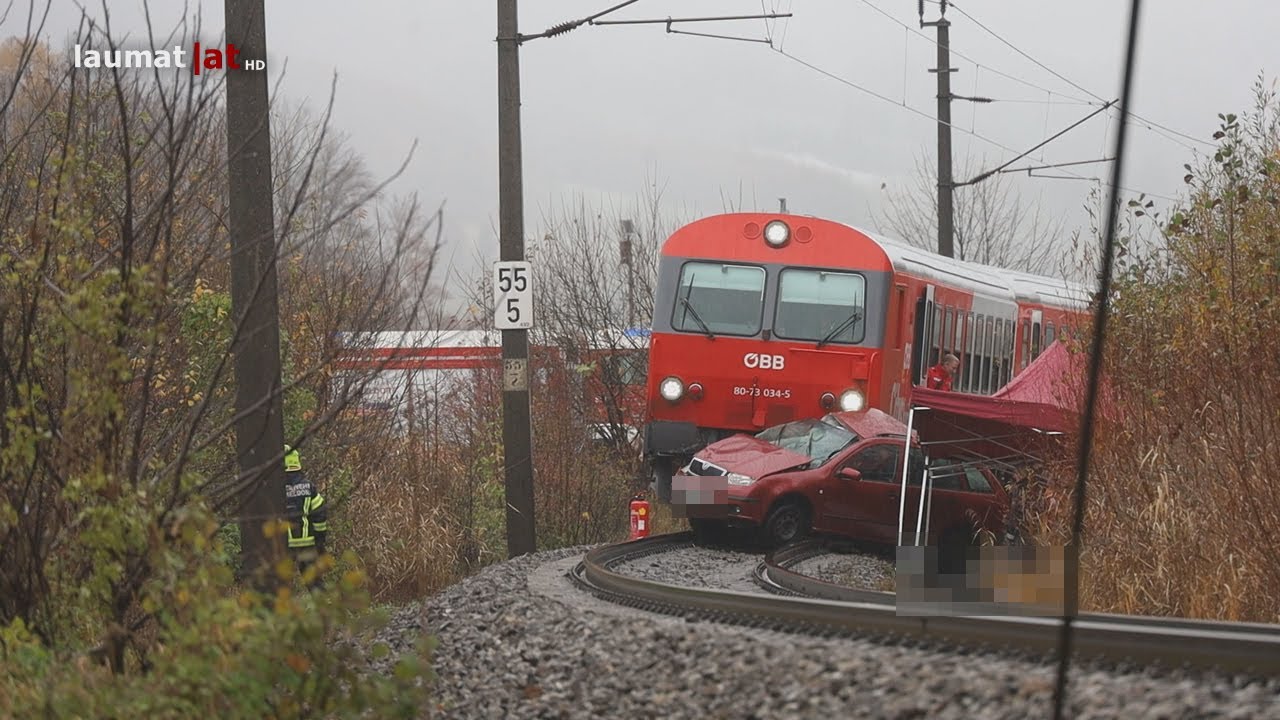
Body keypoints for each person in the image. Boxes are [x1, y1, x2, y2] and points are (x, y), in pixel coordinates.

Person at [283, 444, 328, 582]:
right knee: (314, 581)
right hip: (307, 544)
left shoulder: (275, 487)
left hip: (284, 544)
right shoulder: (309, 487)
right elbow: (320, 514)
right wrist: (320, 541)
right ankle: (323, 603)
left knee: (280, 582)